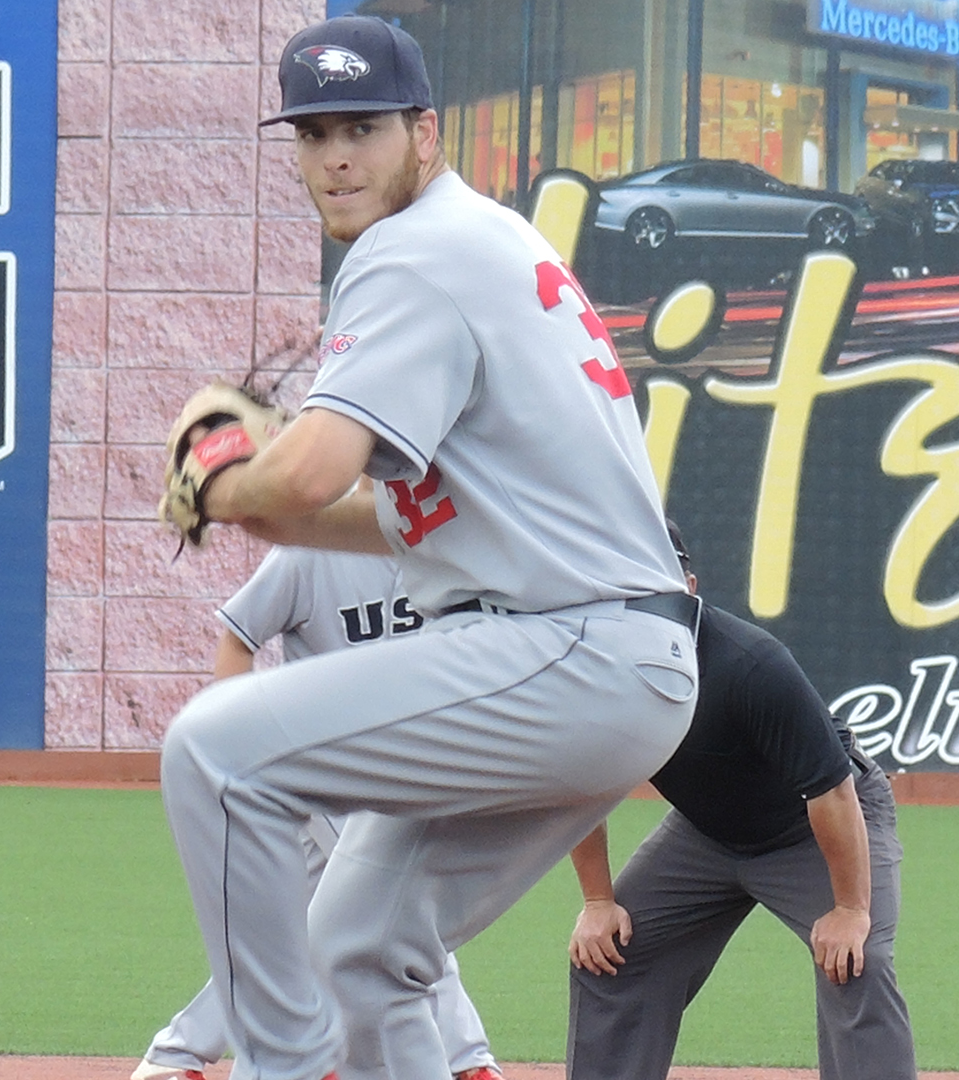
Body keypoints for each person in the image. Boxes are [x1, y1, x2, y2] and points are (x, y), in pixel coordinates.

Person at [156, 14, 699, 1080]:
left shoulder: (414, 251)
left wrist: (223, 474)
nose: (338, 156)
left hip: (565, 649)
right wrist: (248, 503)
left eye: (364, 125)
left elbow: (309, 471)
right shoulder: (488, 242)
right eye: (314, 134)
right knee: (365, 941)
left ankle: (284, 1069)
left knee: (213, 752)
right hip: (614, 663)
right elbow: (361, 511)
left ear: (426, 133)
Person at [134, 545, 501, 1080]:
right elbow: (239, 636)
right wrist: (247, 738)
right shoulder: (307, 554)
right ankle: (469, 1060)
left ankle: (175, 1054)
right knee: (398, 907)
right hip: (321, 770)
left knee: (291, 927)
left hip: (405, 774)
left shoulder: (439, 555)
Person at [564, 522, 915, 1080]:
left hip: (813, 824)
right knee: (610, 955)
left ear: (691, 588)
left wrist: (850, 911)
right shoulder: (593, 668)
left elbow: (831, 789)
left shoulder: (749, 664)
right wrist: (598, 901)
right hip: (706, 834)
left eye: (659, 586)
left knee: (857, 961)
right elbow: (577, 785)